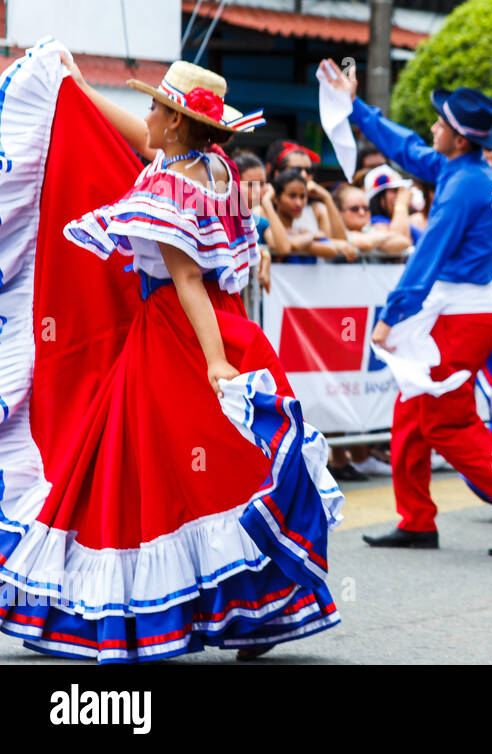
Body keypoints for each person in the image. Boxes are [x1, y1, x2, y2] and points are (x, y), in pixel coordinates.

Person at [0, 51, 344, 662]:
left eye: (157, 107)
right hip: (228, 323)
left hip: (177, 336)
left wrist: (213, 364)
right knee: (230, 469)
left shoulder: (168, 183)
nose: (148, 116)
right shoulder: (218, 169)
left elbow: (186, 281)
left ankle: (114, 612)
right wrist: (77, 89)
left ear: (179, 123)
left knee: (140, 474)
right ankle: (255, 603)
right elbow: (149, 148)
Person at [320, 57, 492, 555]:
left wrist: (390, 318)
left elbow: (427, 256)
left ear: (460, 138)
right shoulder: (461, 169)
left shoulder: (464, 185)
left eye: (440, 123)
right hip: (456, 315)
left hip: (458, 319)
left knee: (445, 423)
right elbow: (405, 146)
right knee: (410, 412)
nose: (432, 128)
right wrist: (354, 106)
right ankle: (418, 520)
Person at [268, 168, 355, 263]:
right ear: (276, 198)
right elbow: (287, 246)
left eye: (302, 196)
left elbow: (331, 250)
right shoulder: (269, 228)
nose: (298, 203)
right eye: (292, 196)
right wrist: (312, 236)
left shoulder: (301, 231)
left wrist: (327, 197)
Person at [232, 150, 285, 289]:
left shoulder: (259, 221)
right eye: (251, 185)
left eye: (262, 184)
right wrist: (264, 254)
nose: (259, 190)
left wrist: (267, 203)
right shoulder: (222, 218)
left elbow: (283, 246)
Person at [335, 183, 412, 257]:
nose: (362, 213)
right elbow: (366, 243)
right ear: (339, 212)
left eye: (366, 208)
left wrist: (373, 240)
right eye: (354, 209)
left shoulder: (370, 230)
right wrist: (388, 236)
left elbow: (404, 242)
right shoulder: (338, 233)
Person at [364, 164, 420, 246]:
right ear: (379, 197)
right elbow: (400, 242)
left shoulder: (403, 220)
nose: (400, 195)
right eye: (394, 190)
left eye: (401, 190)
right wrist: (401, 205)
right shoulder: (376, 222)